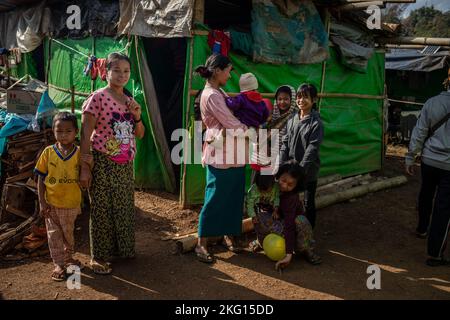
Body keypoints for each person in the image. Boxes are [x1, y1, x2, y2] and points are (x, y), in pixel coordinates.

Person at [80, 52, 145, 274]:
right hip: (103, 161)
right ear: (105, 72)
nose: (122, 75)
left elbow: (141, 133)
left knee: (123, 206)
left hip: (125, 163)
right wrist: (85, 165)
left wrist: (136, 115)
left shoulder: (129, 100)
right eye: (116, 70)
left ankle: (122, 249)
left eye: (126, 71)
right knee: (101, 209)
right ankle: (98, 257)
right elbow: (86, 131)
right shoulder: (97, 98)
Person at [194, 53, 249, 263]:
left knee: (233, 197)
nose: (229, 74)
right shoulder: (212, 95)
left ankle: (228, 236)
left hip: (232, 152)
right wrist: (251, 129)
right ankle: (201, 244)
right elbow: (230, 122)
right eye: (227, 70)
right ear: (217, 70)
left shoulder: (218, 91)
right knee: (215, 198)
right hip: (220, 152)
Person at [405, 70, 450, 266]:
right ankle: (435, 254)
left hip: (429, 160)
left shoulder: (432, 102)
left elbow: (420, 131)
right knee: (444, 209)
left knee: (426, 193)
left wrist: (410, 156)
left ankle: (422, 228)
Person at [35, 112, 83, 281]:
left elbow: (86, 175)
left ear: (76, 132)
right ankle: (58, 264)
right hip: (52, 203)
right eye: (59, 131)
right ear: (53, 132)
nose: (63, 135)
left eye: (68, 131)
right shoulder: (48, 152)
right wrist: (42, 202)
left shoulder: (79, 153)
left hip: (71, 203)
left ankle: (69, 258)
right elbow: (40, 179)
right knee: (53, 235)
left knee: (68, 234)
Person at [248, 161, 321, 270]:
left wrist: (288, 254)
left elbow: (290, 225)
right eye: (283, 180)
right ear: (278, 176)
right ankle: (262, 242)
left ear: (296, 186)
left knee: (301, 221)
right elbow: (262, 173)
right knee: (259, 217)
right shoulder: (270, 185)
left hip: (292, 228)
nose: (285, 185)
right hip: (279, 224)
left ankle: (307, 250)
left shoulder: (291, 198)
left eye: (290, 184)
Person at [280, 83, 323, 229]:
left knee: (308, 202)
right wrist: (282, 165)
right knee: (287, 199)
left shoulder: (316, 123)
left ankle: (308, 234)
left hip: (308, 170)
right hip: (290, 168)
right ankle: (287, 230)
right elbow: (285, 142)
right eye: (299, 97)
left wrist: (300, 170)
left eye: (305, 97)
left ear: (314, 100)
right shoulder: (292, 118)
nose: (301, 100)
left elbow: (312, 148)